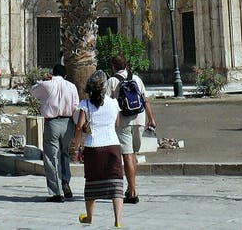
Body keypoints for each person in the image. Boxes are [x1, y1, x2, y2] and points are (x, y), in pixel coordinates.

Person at [73, 69, 123, 229]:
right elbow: (116, 125)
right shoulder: (114, 103)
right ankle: (118, 220)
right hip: (113, 146)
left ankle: (89, 217)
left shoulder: (85, 104)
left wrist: (76, 148)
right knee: (116, 183)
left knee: (91, 183)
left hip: (93, 147)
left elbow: (79, 127)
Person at [107, 53, 156, 205]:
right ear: (126, 66)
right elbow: (145, 100)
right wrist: (151, 119)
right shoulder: (136, 78)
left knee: (127, 156)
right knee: (133, 155)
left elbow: (108, 103)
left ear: (113, 67)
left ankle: (133, 192)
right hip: (139, 120)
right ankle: (130, 188)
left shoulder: (112, 81)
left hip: (123, 122)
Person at [30, 63, 79, 202]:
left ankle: (57, 192)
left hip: (52, 123)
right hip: (68, 123)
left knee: (52, 157)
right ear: (65, 75)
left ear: (52, 73)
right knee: (64, 154)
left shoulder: (47, 84)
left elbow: (32, 91)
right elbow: (76, 107)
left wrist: (43, 80)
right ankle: (65, 182)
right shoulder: (72, 86)